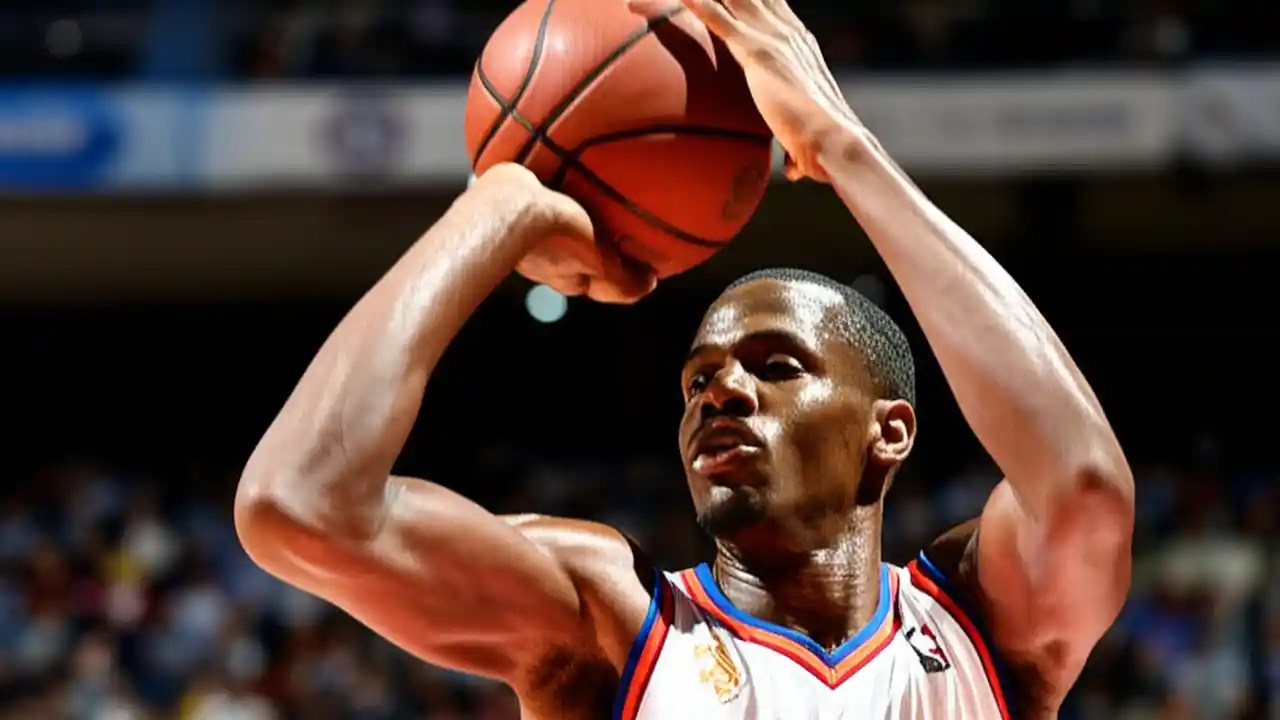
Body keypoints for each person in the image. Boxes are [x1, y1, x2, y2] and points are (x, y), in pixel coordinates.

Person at [234, 0, 1135, 717]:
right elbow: (298, 504)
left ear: (889, 430)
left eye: (777, 366)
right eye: (697, 380)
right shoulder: (612, 624)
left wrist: (845, 149)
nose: (721, 391)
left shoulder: (980, 625)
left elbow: (1084, 487)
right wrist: (498, 207)